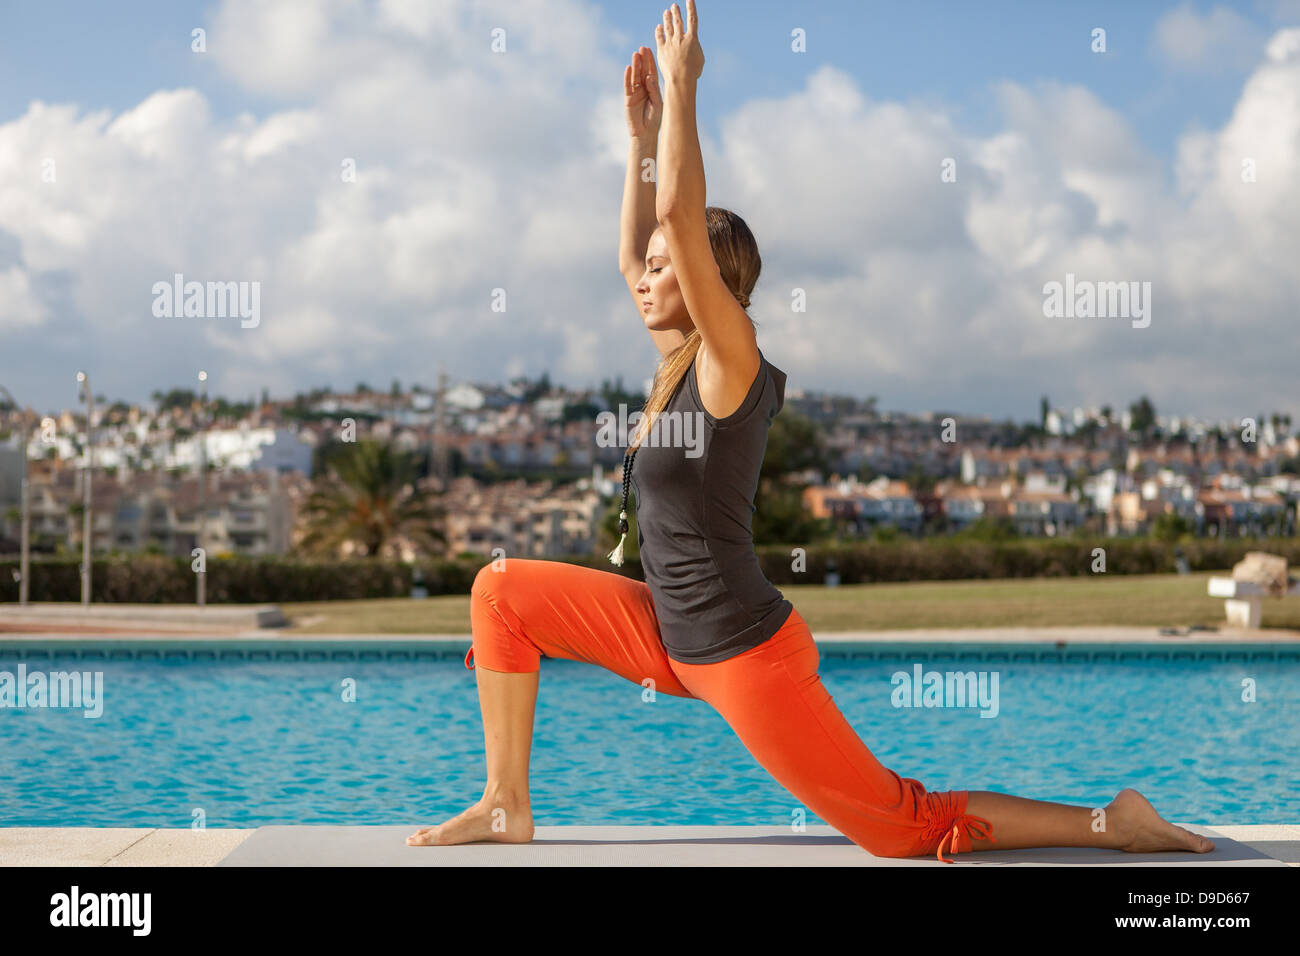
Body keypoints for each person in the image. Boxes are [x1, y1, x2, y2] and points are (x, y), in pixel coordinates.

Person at [408, 1, 1214, 861]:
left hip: (740, 650)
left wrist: (683, 93)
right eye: (644, 267)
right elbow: (643, 241)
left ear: (702, 278)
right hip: (666, 631)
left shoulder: (729, 363)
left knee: (906, 827)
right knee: (499, 593)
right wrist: (640, 140)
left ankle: (1112, 821)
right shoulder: (678, 356)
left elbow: (679, 222)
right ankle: (504, 804)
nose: (641, 277)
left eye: (661, 269)